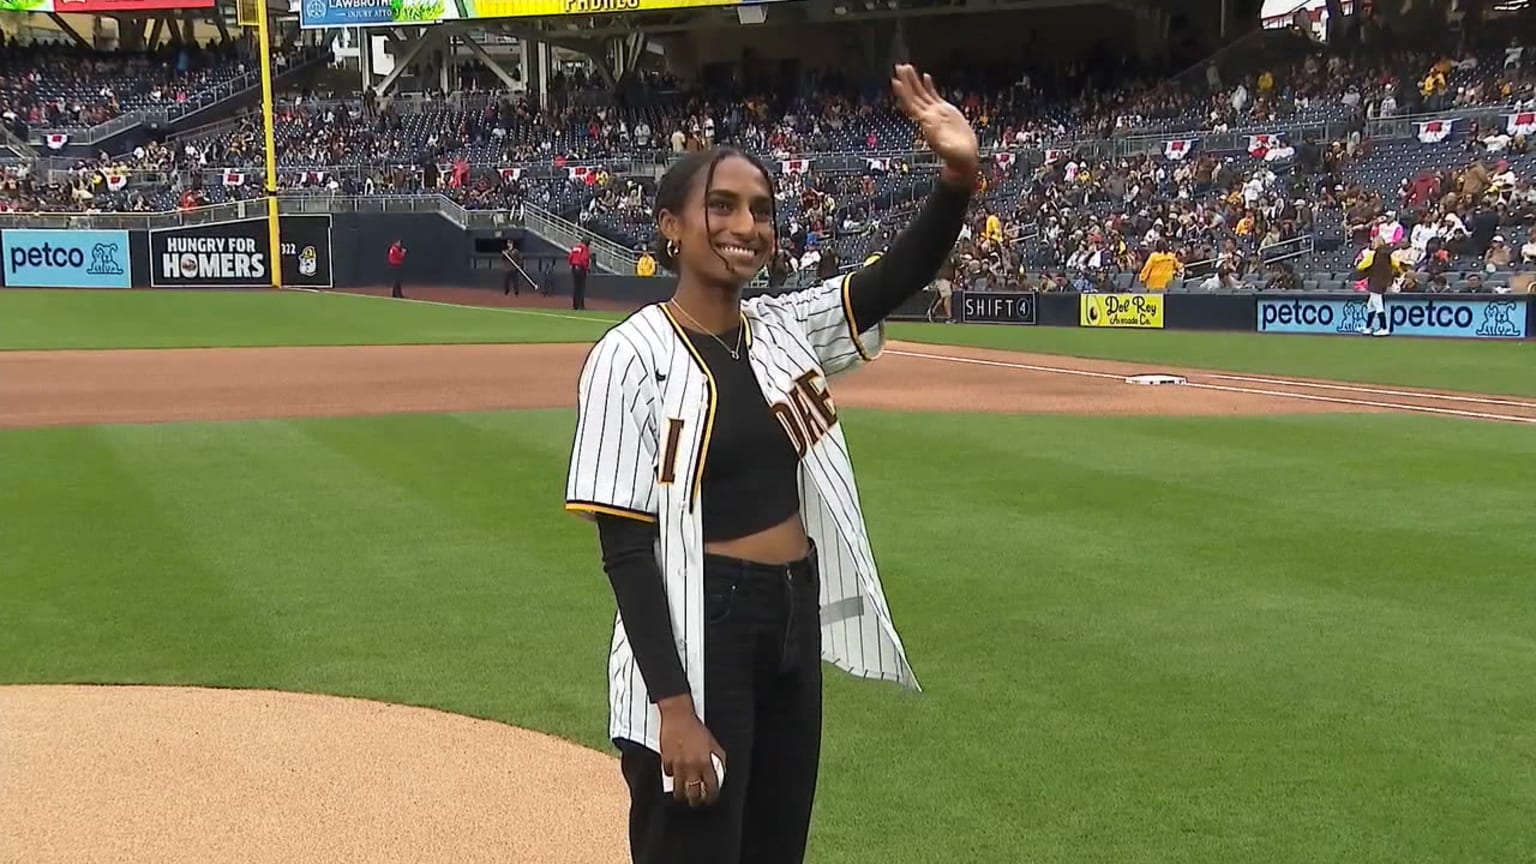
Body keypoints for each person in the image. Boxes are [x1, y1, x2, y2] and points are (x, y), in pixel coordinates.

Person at [564, 64, 977, 864]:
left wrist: (956, 178)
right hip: (700, 629)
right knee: (694, 849)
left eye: (761, 211)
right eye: (720, 205)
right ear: (670, 228)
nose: (746, 224)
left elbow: (894, 278)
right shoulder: (629, 357)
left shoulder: (784, 328)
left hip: (792, 612)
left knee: (774, 847)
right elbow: (623, 549)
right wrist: (673, 711)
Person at [569, 239, 592, 310]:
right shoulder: (584, 248)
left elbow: (570, 257)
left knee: (576, 287)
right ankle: (581, 305)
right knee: (581, 287)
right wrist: (587, 268)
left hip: (574, 268)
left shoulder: (575, 247)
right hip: (581, 269)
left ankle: (575, 305)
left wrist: (571, 264)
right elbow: (583, 259)